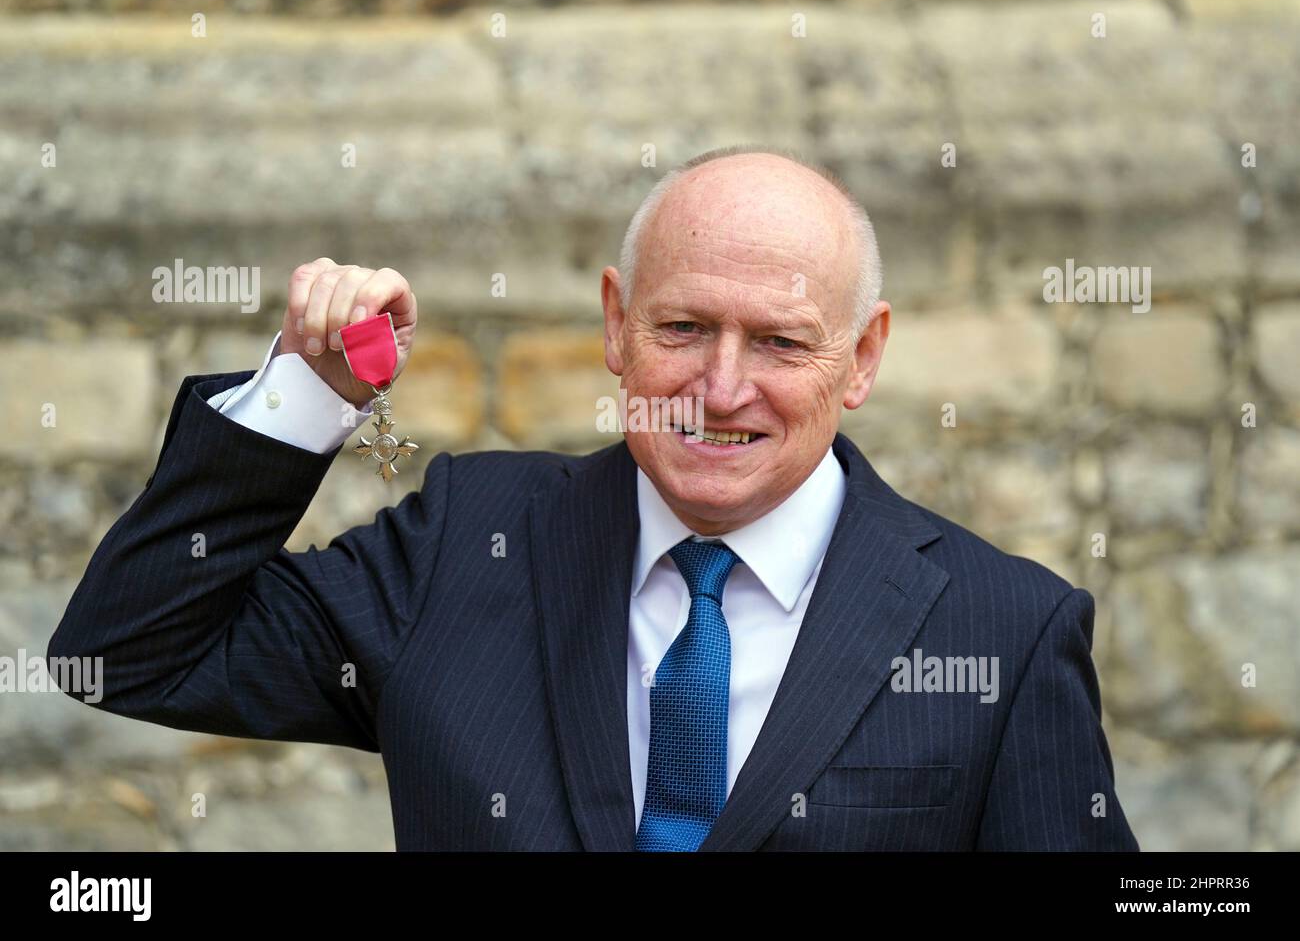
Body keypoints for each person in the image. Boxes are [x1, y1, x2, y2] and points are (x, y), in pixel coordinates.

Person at [49, 145, 1139, 851]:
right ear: (615, 325)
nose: (719, 389)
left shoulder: (1002, 627)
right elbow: (134, 649)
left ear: (861, 358)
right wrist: (302, 395)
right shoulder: (465, 546)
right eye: (680, 329)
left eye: (779, 341)